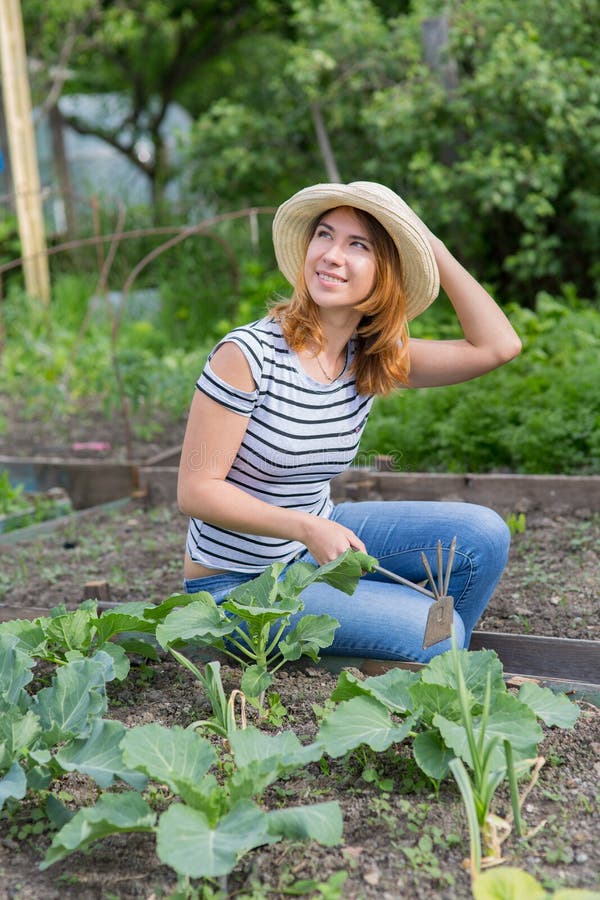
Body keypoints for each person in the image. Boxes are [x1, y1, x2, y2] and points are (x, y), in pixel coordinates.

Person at [177, 181, 522, 662]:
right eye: (324, 235)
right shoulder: (248, 355)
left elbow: (498, 346)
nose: (331, 255)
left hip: (313, 541)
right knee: (431, 629)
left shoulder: (368, 355)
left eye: (358, 245)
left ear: (387, 273)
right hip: (237, 589)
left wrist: (428, 244)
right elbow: (196, 491)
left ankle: (421, 659)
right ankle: (418, 652)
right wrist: (305, 528)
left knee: (482, 536)